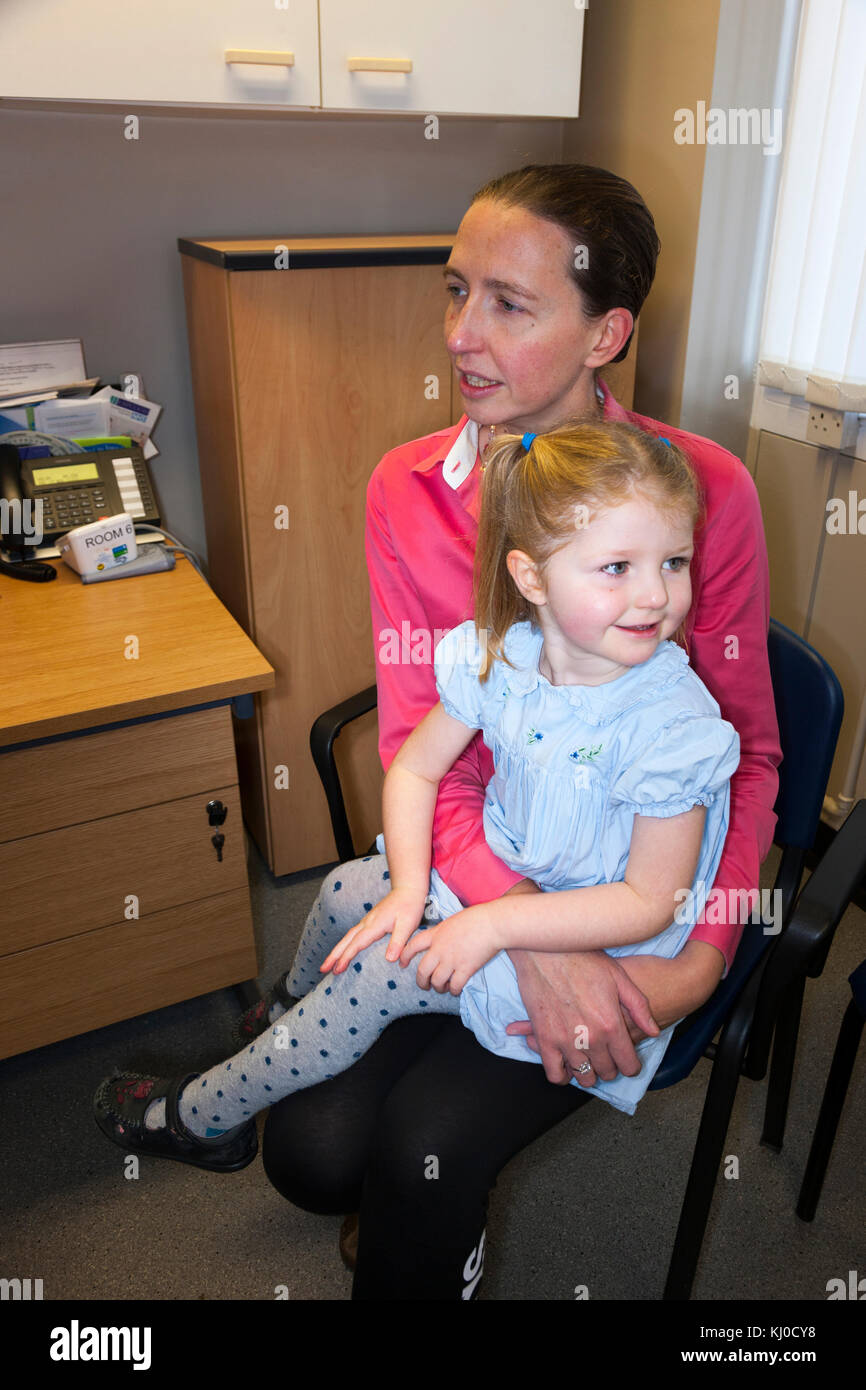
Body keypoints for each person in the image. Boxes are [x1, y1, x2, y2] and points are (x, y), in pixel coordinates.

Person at [110, 163, 783, 1300]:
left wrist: (698, 965)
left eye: (508, 305)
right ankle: (295, 1035)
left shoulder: (692, 492)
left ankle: (426, 1226)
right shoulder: (405, 489)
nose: (459, 334)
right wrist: (523, 935)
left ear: (602, 333)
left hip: (628, 894)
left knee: (415, 1168)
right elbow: (428, 743)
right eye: (454, 289)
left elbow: (750, 755)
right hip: (498, 868)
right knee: (316, 1161)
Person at [94, 421, 739, 1157]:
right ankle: (286, 1008)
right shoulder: (505, 655)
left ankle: (203, 1118)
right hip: (515, 869)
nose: (657, 595)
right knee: (344, 892)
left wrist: (492, 925)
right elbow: (417, 768)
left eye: (675, 561)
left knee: (377, 978)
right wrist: (407, 889)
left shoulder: (670, 728)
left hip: (602, 938)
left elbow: (651, 901)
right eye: (618, 567)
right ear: (532, 579)